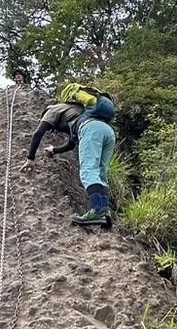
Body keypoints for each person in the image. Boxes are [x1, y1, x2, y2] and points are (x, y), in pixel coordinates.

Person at [21, 88, 116, 229]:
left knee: (88, 171)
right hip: (108, 132)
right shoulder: (77, 111)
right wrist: (55, 150)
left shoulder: (52, 110)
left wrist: (30, 158)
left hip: (90, 129)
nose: (53, 129)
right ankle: (105, 211)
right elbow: (71, 144)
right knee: (101, 173)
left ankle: (98, 211)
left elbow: (38, 133)